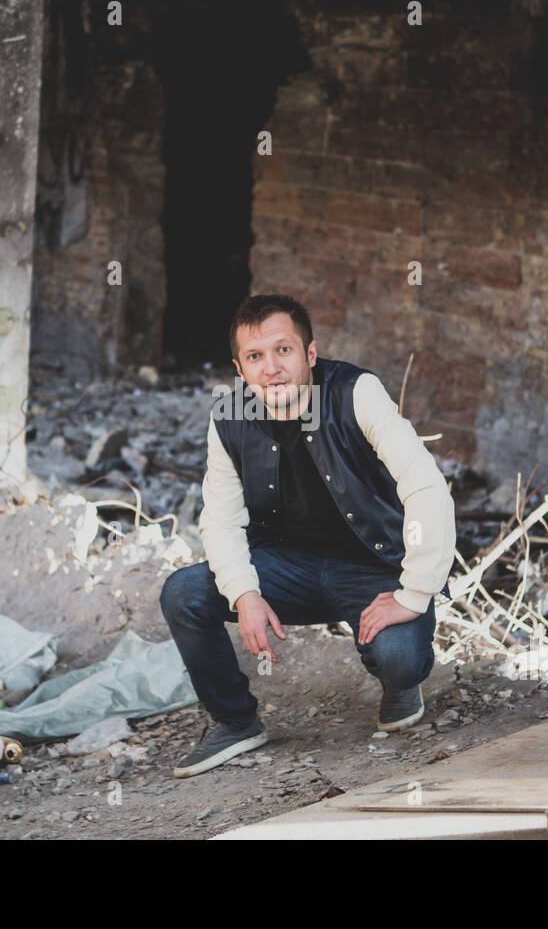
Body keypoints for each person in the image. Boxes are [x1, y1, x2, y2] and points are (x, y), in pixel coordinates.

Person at [159, 293, 456, 778]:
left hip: (371, 568)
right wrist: (245, 593)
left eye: (284, 351)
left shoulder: (356, 392)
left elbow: (426, 487)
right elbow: (220, 520)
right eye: (255, 357)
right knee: (184, 592)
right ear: (240, 368)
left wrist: (415, 591)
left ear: (310, 354)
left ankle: (399, 683)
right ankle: (235, 722)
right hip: (286, 568)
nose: (271, 368)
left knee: (399, 658)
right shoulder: (230, 417)